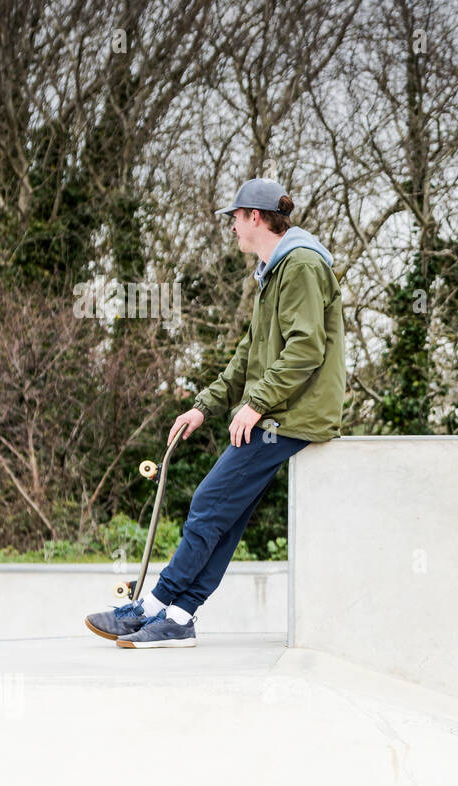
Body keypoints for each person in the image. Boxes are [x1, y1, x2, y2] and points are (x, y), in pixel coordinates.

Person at [84, 178, 346, 648]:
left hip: (293, 415)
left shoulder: (301, 265)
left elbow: (306, 348)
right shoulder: (273, 270)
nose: (231, 227)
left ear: (256, 217)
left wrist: (257, 404)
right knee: (228, 515)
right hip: (279, 411)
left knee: (207, 503)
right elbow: (248, 354)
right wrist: (204, 407)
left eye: (235, 217)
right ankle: (180, 616)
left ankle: (152, 606)